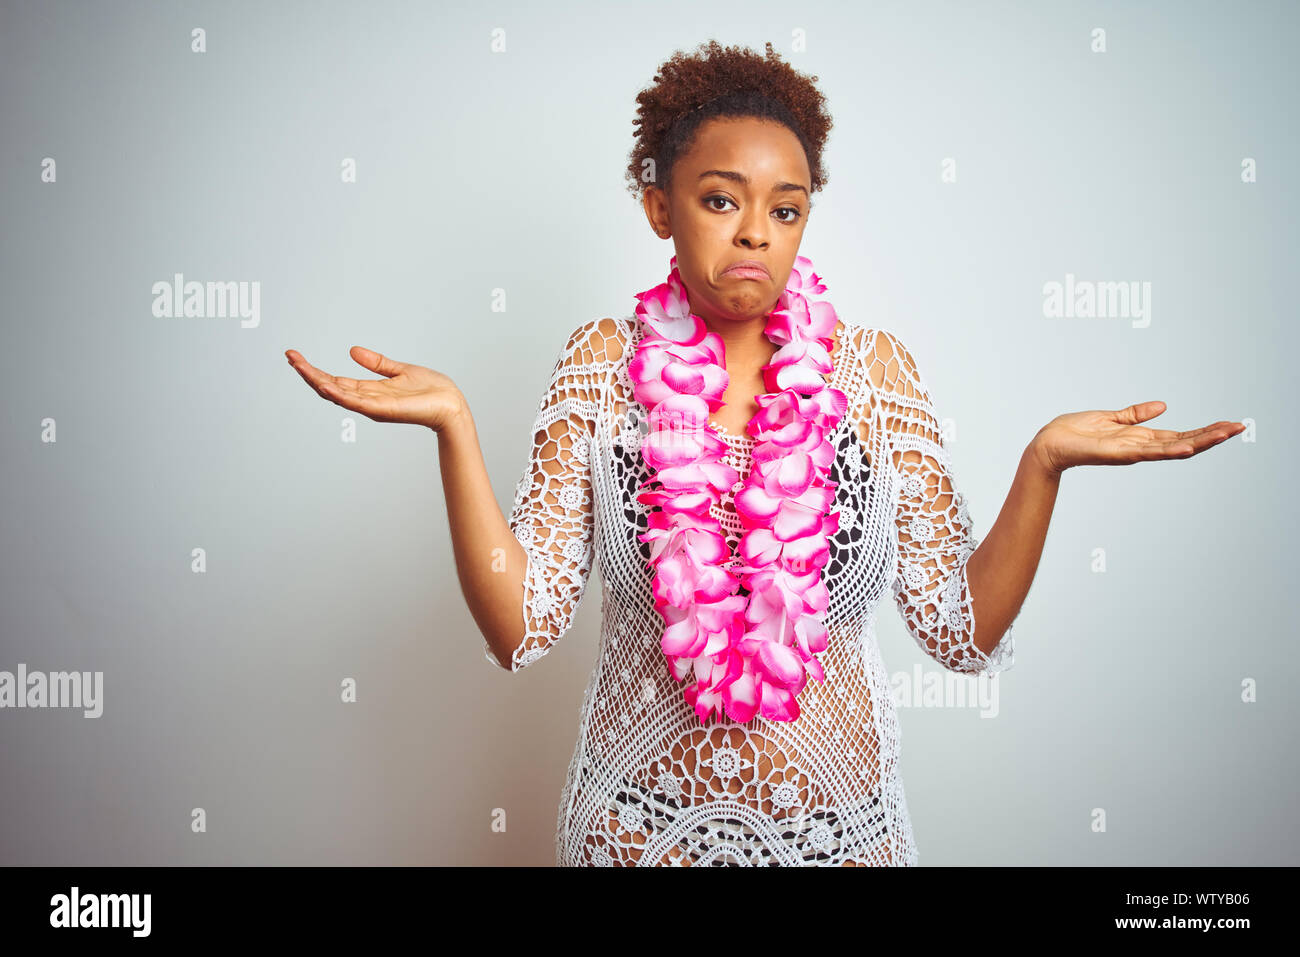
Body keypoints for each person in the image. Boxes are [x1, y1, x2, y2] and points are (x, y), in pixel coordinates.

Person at [285, 40, 1243, 866]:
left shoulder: (872, 374)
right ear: (660, 209)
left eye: (786, 209)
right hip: (635, 834)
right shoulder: (603, 367)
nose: (755, 231)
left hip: (842, 836)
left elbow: (959, 631)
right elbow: (519, 628)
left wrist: (1044, 464)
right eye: (719, 198)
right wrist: (455, 425)